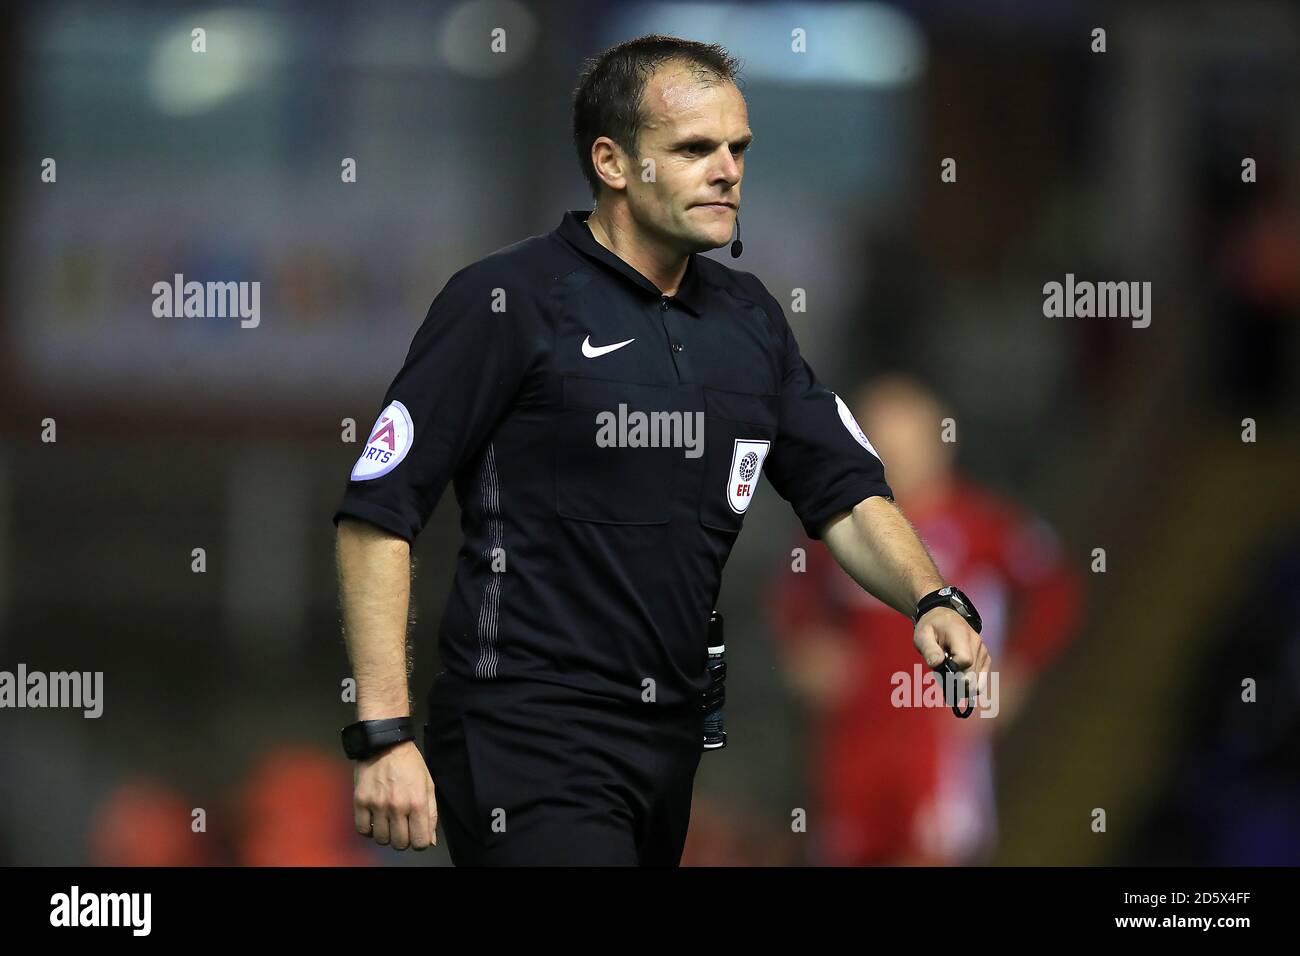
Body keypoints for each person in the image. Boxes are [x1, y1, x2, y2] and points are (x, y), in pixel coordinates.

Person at [331, 35, 991, 866]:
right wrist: (383, 734)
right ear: (612, 161)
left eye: (736, 148)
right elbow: (377, 513)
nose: (726, 170)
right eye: (693, 149)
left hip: (669, 744)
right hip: (528, 730)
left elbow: (846, 493)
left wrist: (932, 598)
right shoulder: (507, 302)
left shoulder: (751, 323)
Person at [771, 374, 1082, 865]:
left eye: (903, 441)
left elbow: (1054, 592)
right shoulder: (841, 523)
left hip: (936, 737)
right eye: (877, 439)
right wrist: (804, 646)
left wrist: (1016, 675)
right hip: (852, 738)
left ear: (939, 443)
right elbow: (793, 589)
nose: (891, 454)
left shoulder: (983, 525)